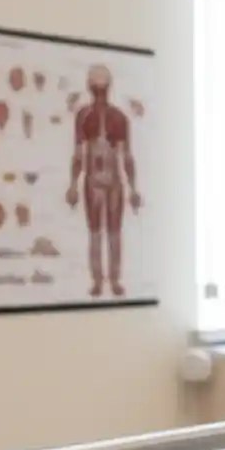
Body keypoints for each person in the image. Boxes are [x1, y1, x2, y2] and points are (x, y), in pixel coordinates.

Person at [66, 64, 140, 298]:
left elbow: (126, 156)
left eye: (101, 88)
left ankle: (114, 280)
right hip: (95, 181)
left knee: (112, 232)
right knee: (97, 232)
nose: (99, 93)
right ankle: (99, 281)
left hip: (112, 181)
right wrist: (73, 185)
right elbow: (78, 154)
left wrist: (133, 187)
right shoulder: (84, 116)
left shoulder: (118, 118)